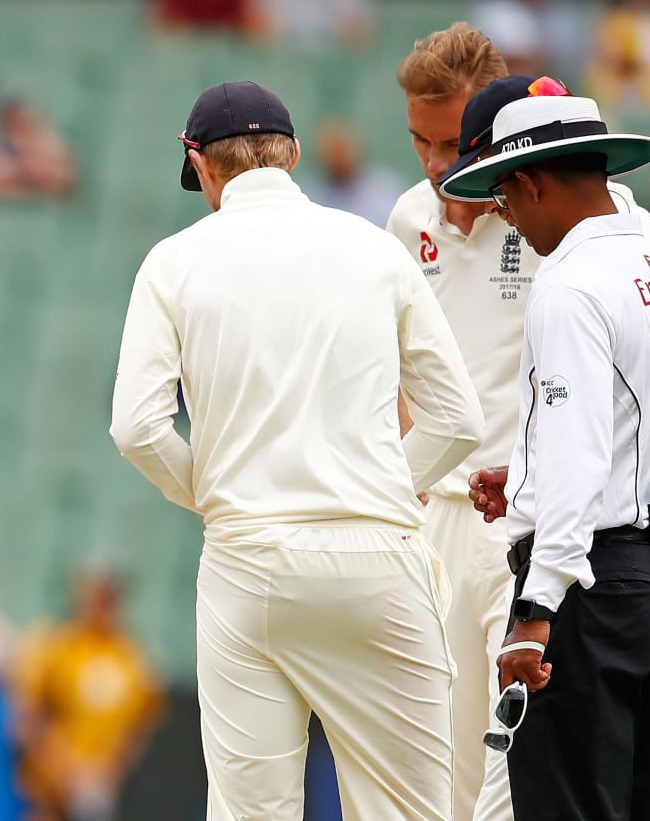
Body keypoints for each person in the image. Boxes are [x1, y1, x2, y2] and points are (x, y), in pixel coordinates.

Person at [384, 25, 650, 821]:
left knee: (516, 782)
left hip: (559, 541)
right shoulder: (415, 219)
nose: (440, 167)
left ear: (525, 172)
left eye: (459, 147)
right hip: (539, 527)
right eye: (421, 142)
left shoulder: (586, 254)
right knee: (463, 773)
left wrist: (539, 600)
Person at [111, 80, 485, 820]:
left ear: (202, 164)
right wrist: (379, 485)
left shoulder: (174, 260)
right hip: (377, 557)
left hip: (247, 560)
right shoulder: (373, 250)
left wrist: (217, 496)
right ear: (294, 156)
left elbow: (138, 429)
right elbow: (458, 421)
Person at [441, 86, 650, 820]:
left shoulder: (567, 283)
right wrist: (532, 475)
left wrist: (536, 606)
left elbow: (576, 448)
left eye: (504, 199)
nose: (509, 218)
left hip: (589, 594)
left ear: (530, 182)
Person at [10, 569, 163, 821]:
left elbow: (139, 724)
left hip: (100, 785)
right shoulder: (55, 646)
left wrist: (111, 769)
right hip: (50, 787)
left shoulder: (132, 658)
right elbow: (29, 715)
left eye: (109, 600)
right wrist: (61, 767)